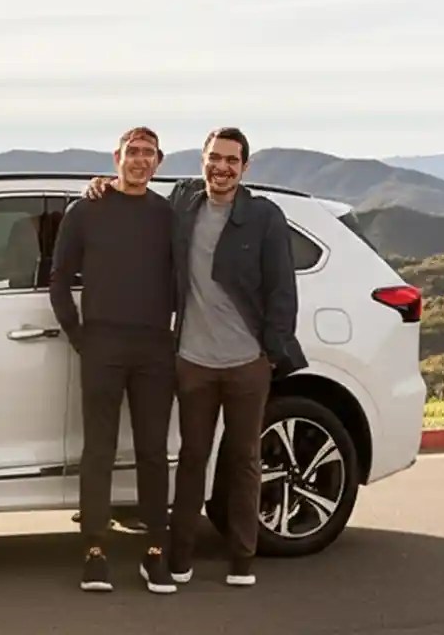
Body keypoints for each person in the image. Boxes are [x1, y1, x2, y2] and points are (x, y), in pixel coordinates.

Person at [85, 126, 307, 587]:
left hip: (246, 362)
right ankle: (179, 555)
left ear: (245, 167)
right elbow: (135, 192)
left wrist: (269, 353)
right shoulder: (184, 203)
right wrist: (102, 185)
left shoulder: (264, 217)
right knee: (191, 457)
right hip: (192, 360)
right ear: (201, 161)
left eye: (231, 160)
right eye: (214, 158)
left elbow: (282, 291)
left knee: (245, 460)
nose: (221, 167)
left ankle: (242, 558)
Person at [49, 126, 178, 595]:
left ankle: (155, 554)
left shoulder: (168, 215)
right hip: (101, 344)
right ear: (116, 157)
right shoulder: (87, 209)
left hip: (154, 348)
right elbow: (59, 278)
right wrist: (80, 336)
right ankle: (95, 553)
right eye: (132, 152)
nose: (140, 160)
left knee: (152, 452)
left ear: (159, 162)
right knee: (98, 451)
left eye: (148, 154)